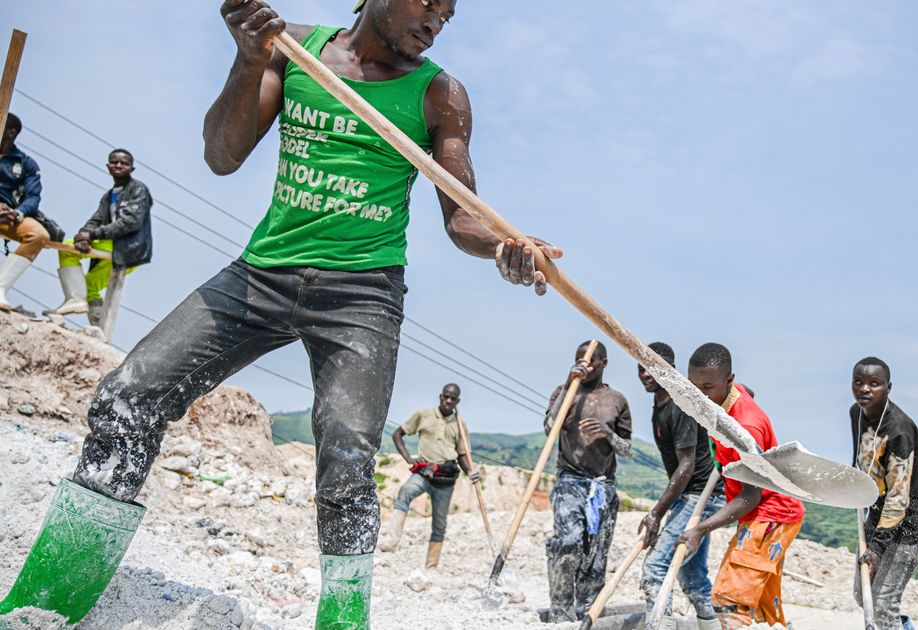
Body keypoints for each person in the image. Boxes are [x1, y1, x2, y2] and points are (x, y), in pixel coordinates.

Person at [0, 0, 563, 626]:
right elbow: (222, 154)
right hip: (262, 274)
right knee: (127, 396)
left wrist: (504, 248)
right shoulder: (288, 48)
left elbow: (461, 215)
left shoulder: (439, 94)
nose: (437, 20)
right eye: (428, 2)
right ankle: (51, 596)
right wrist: (249, 62)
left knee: (348, 453)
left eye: (448, 14)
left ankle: (342, 620)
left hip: (363, 295)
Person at [677, 342, 805, 629]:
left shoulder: (745, 428)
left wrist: (701, 528)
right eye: (694, 387)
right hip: (765, 513)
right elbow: (749, 391)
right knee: (762, 611)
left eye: (707, 388)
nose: (700, 397)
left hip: (771, 514)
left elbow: (750, 497)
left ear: (729, 381)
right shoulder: (726, 397)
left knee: (729, 601)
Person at [637, 342, 725, 629]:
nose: (646, 374)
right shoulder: (660, 403)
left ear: (670, 369)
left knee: (656, 568)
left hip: (701, 496)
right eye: (641, 367)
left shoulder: (679, 403)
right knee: (693, 577)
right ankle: (710, 625)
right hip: (692, 495)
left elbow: (686, 467)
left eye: (653, 367)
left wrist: (656, 513)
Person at [543, 340, 632, 622]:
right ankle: (561, 612)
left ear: (604, 363)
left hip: (602, 485)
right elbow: (549, 428)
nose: (585, 365)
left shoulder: (617, 400)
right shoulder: (564, 393)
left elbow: (627, 449)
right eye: (580, 359)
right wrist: (568, 387)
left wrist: (608, 433)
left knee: (596, 554)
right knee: (568, 542)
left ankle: (587, 614)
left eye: (591, 361)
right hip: (570, 478)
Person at [849, 357, 918, 630]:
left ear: (888, 387)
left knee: (884, 603)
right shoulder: (856, 413)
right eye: (859, 382)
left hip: (908, 523)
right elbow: (862, 459)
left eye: (874, 384)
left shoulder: (899, 430)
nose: (865, 389)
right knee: (864, 595)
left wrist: (876, 549)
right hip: (876, 514)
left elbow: (898, 498)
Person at [46, 149, 153, 326]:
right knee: (89, 284)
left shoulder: (138, 190)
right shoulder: (109, 195)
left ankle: (75, 299)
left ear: (132, 168)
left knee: (67, 250)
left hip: (129, 247)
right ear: (108, 166)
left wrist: (92, 235)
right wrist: (83, 237)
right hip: (110, 244)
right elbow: (95, 219)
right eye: (114, 162)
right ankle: (98, 327)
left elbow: (130, 222)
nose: (118, 165)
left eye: (124, 163)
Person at [382, 383, 479, 569]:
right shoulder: (423, 415)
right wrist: (408, 457)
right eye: (446, 397)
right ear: (440, 396)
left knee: (440, 524)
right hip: (424, 473)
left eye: (453, 398)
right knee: (405, 492)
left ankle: (431, 565)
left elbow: (462, 454)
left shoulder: (460, 425)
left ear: (457, 402)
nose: (449, 401)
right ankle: (392, 542)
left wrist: (470, 472)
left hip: (446, 479)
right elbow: (398, 434)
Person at [0, 113, 51, 312]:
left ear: (11, 132)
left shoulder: (25, 163)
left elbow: (33, 197)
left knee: (39, 235)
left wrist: (18, 213)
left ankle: (0, 287)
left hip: (8, 215)